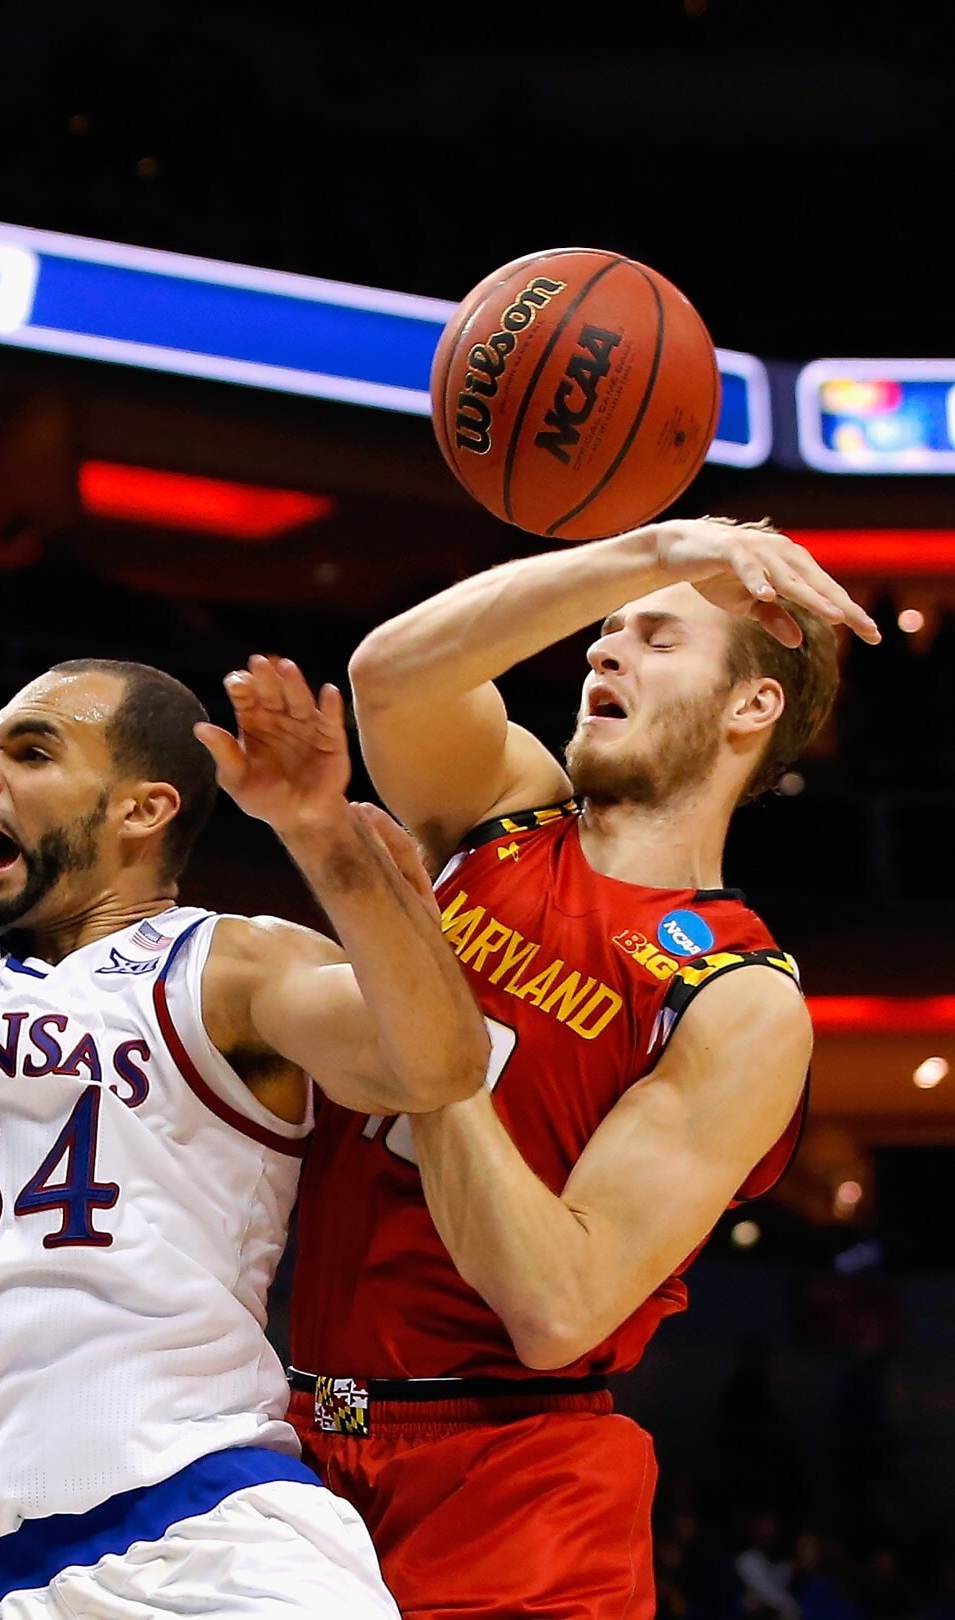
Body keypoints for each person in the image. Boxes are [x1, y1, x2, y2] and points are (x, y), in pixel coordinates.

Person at [0, 76, 488, 1620]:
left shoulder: (230, 966)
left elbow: (435, 1062)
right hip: (5, 1576)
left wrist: (333, 853)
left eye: (30, 750)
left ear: (148, 806)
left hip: (223, 1538)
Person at [287, 518, 880, 1618]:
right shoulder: (506, 809)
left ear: (752, 707)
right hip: (296, 1449)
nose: (604, 652)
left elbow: (556, 1307)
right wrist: (652, 553)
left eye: (658, 640)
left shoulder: (740, 998)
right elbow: (389, 674)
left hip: (513, 1491)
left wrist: (432, 1031)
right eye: (603, 634)